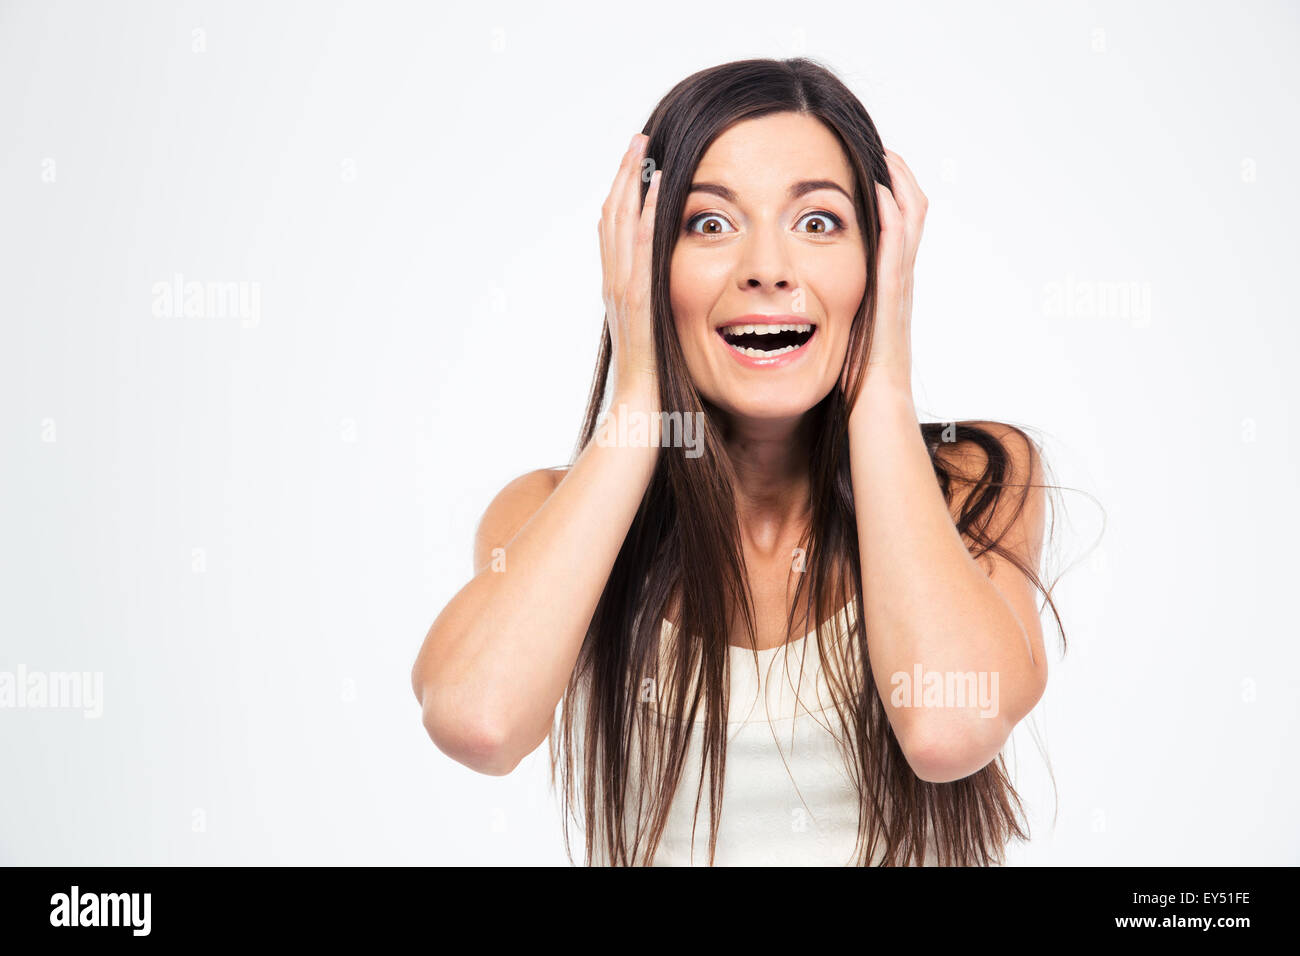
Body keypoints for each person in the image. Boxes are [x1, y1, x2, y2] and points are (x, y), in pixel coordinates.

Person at [412, 57, 1065, 866]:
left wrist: (883, 389)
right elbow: (479, 722)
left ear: (880, 259)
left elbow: (945, 731)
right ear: (646, 266)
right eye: (710, 224)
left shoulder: (974, 480)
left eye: (819, 222)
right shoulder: (550, 512)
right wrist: (639, 400)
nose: (767, 267)